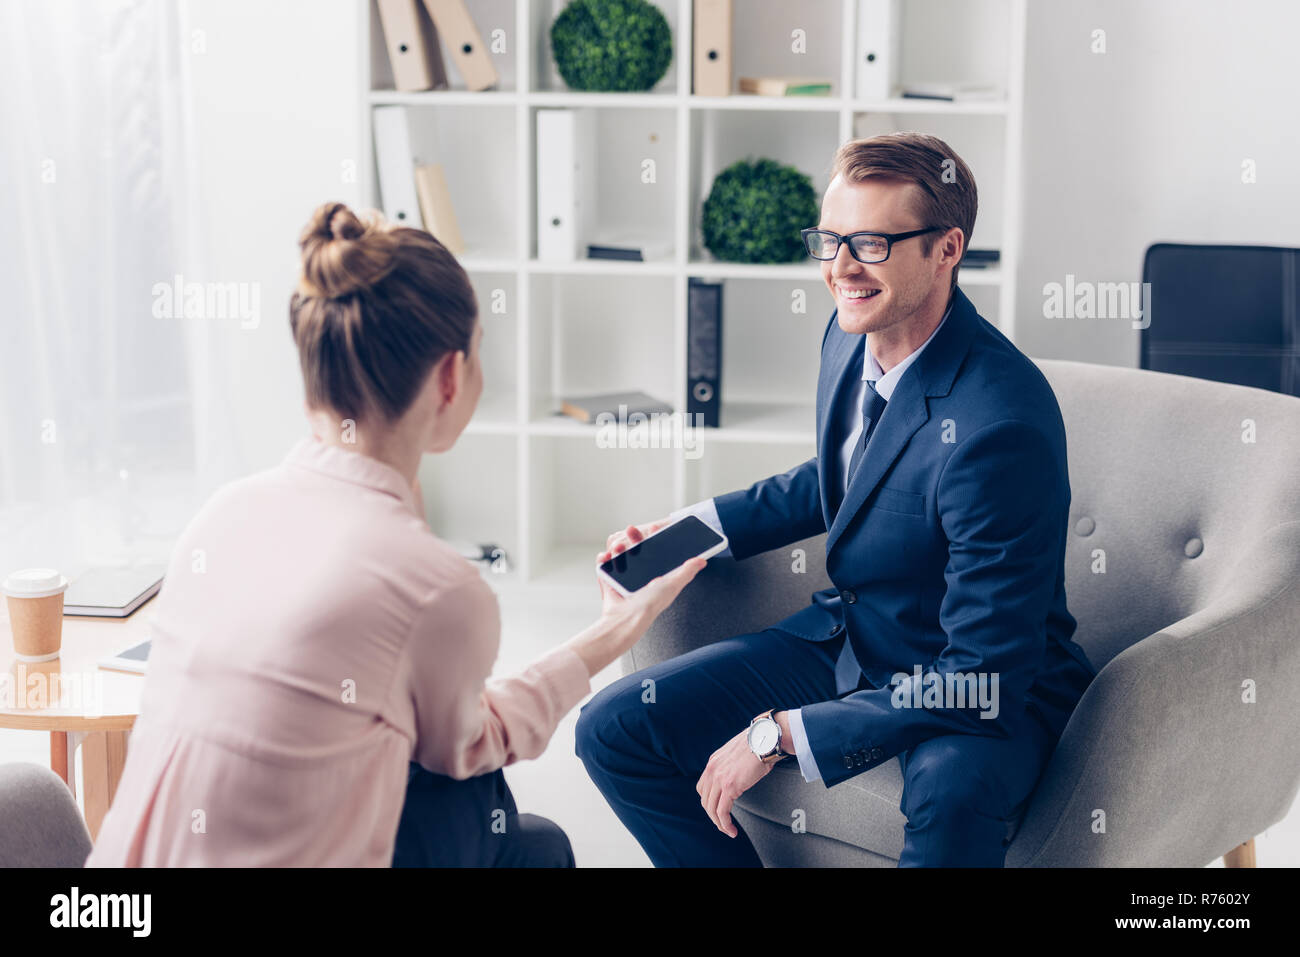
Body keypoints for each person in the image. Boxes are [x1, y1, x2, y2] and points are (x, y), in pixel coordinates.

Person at [86, 202, 703, 867]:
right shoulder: (434, 585)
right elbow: (467, 743)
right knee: (511, 825)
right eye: (479, 352)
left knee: (513, 834)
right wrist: (618, 627)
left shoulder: (219, 516)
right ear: (449, 376)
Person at [576, 132, 1098, 867]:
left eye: (873, 243)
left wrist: (780, 733)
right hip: (853, 640)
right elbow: (841, 478)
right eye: (830, 240)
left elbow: (985, 671)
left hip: (974, 681)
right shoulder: (852, 329)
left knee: (951, 792)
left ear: (947, 249)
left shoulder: (999, 424)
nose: (841, 268)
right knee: (612, 726)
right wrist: (682, 535)